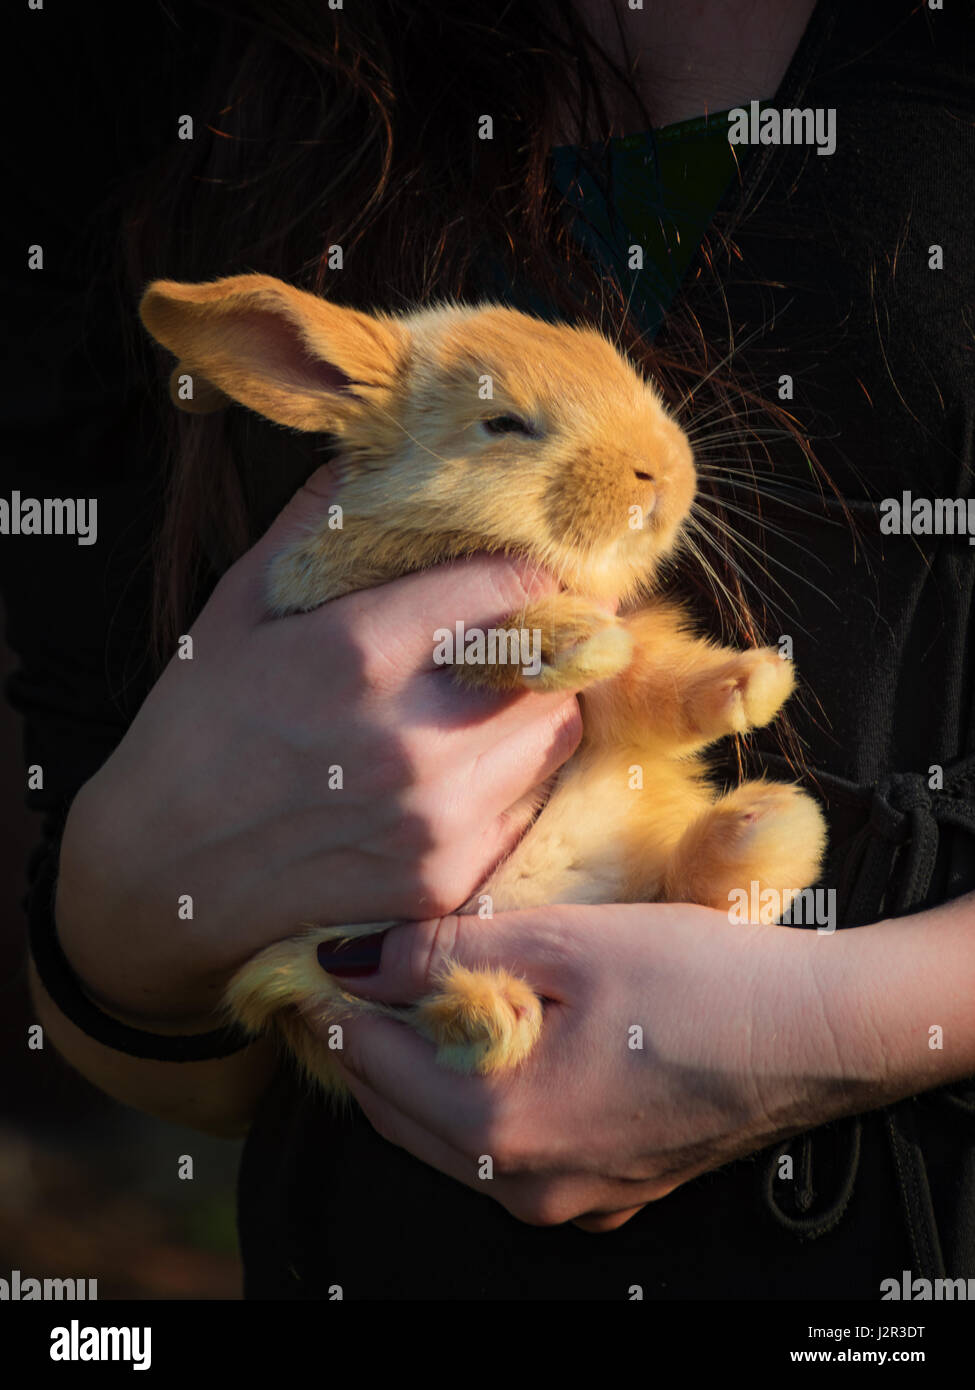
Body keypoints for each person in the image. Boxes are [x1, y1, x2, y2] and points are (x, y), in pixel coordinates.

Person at [4, 0, 974, 1301]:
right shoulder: (148, 64)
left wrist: (830, 1020)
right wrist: (146, 868)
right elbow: (151, 1041)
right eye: (519, 430)